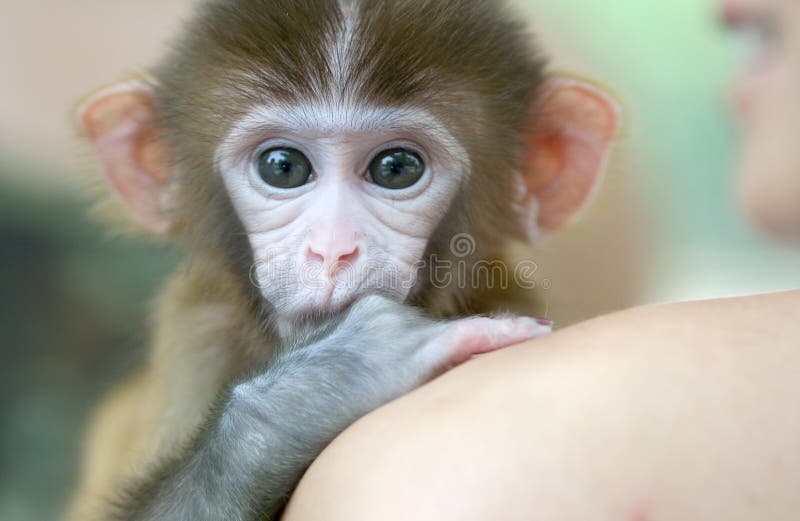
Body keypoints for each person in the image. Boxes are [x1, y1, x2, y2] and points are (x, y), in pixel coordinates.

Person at [282, 0, 800, 519]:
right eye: (284, 169)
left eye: (397, 168)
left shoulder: (458, 468)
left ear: (545, 171)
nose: (724, 8)